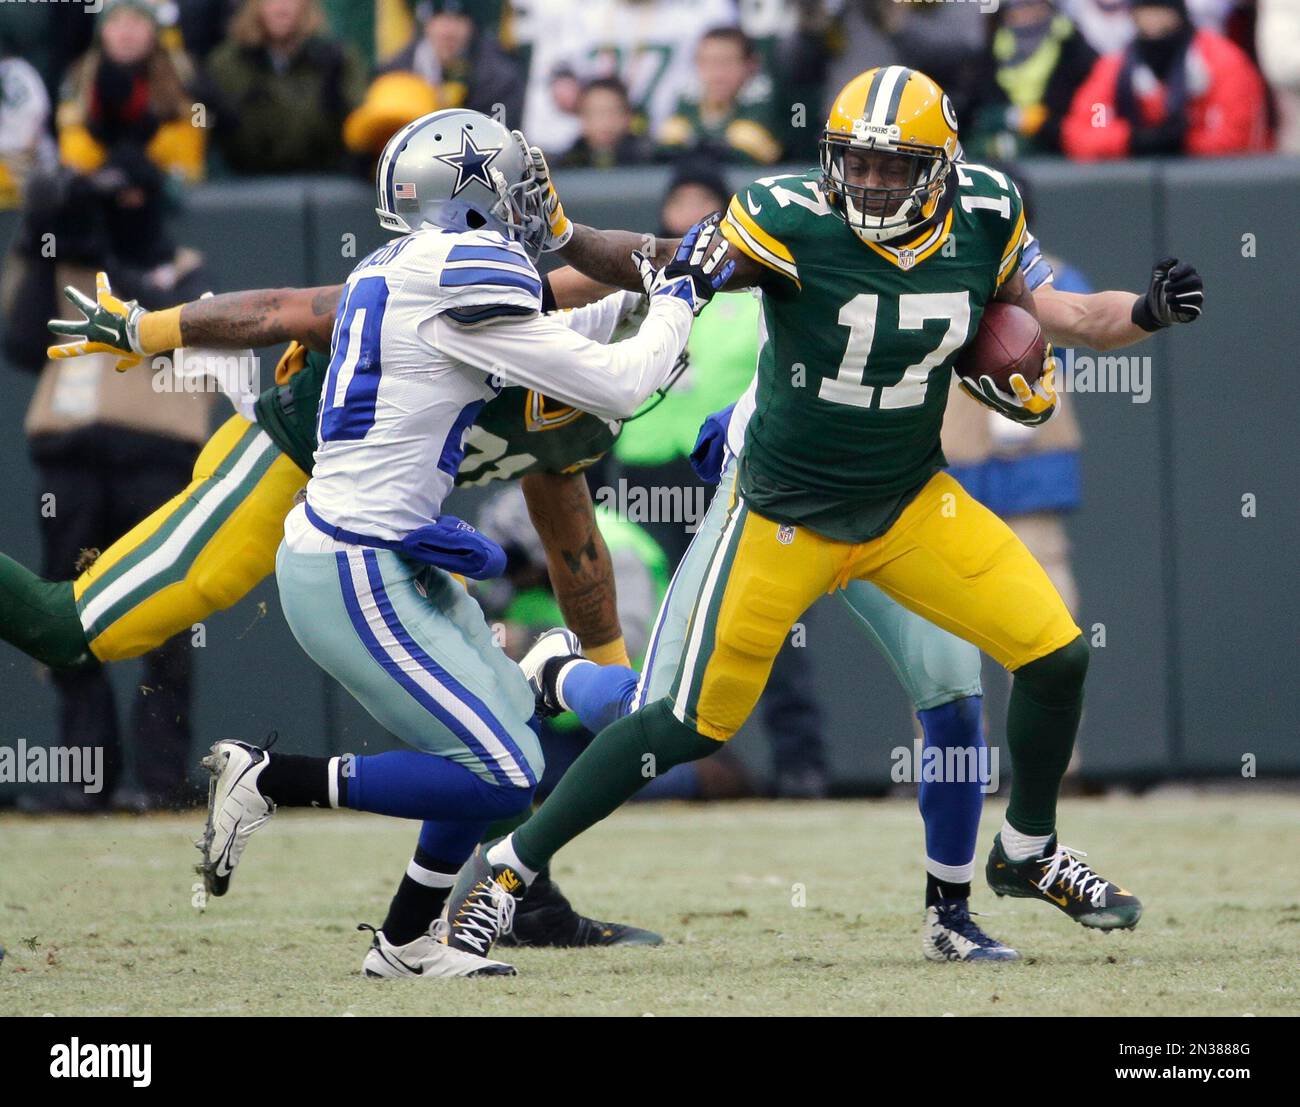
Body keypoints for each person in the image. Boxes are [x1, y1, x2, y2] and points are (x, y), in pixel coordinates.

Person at [442, 66, 1160, 966]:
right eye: (854, 163)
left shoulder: (986, 210)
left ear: (941, 169)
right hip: (783, 506)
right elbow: (665, 257)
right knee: (678, 724)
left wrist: (1144, 311)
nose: (868, 183)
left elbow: (1065, 315)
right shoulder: (787, 213)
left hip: (906, 501)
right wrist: (567, 237)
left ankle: (1016, 858)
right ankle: (509, 871)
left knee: (1043, 662)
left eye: (893, 168)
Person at [194, 109, 719, 978]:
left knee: (502, 733)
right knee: (508, 773)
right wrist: (679, 294)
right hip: (355, 561)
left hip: (386, 544)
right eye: (512, 194)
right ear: (473, 203)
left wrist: (634, 283)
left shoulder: (398, 262)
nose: (524, 213)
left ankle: (405, 940)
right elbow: (622, 388)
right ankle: (269, 777)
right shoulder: (466, 271)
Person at [1062, 0, 1271, 158]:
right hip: (1135, 188)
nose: (1153, 20)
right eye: (1146, 11)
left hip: (1215, 186)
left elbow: (1238, 138)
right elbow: (1083, 133)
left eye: (1161, 10)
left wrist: (1184, 141)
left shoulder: (1221, 61)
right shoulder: (1116, 67)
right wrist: (1134, 139)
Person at [344, 0, 526, 160]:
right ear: (426, 24)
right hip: (404, 173)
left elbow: (502, 146)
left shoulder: (498, 78)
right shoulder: (394, 72)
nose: (448, 31)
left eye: (458, 20)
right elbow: (365, 145)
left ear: (472, 25)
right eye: (440, 19)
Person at [206, 0, 366, 174]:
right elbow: (199, 117)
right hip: (245, 182)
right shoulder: (225, 64)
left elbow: (359, 121)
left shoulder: (337, 60)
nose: (281, 8)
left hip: (323, 179)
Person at [57, 0, 206, 184]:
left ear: (153, 31)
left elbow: (198, 134)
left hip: (168, 187)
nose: (126, 33)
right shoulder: (80, 76)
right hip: (96, 187)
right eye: (115, 22)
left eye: (136, 21)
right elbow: (75, 152)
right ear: (102, 32)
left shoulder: (182, 73)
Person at [966, 0, 1098, 159]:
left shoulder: (1071, 45)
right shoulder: (992, 43)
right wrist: (1009, 117)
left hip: (1056, 148)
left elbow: (1084, 109)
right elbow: (977, 106)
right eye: (1015, 6)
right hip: (998, 137)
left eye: (1030, 4)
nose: (1022, 12)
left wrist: (1044, 123)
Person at [656, 26, 783, 166]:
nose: (717, 74)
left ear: (751, 64)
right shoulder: (686, 105)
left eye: (727, 62)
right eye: (707, 62)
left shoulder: (767, 105)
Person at [557, 78, 651, 169]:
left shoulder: (651, 161)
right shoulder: (565, 166)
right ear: (582, 117)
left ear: (627, 116)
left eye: (612, 112)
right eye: (596, 113)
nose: (605, 122)